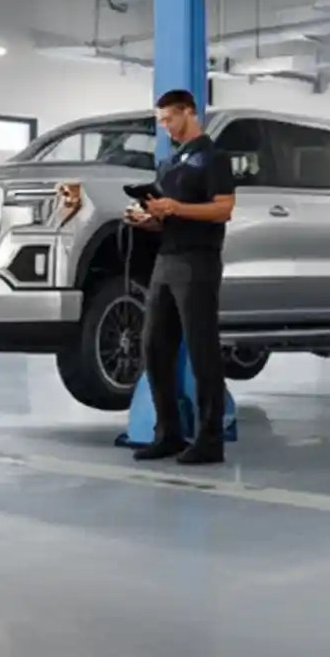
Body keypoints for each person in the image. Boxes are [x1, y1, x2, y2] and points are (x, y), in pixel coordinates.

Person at [125, 89, 235, 465]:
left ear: (187, 112)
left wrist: (177, 207)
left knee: (202, 349)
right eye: (161, 123)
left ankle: (209, 439)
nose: (165, 128)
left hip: (198, 262)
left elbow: (223, 209)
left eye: (169, 120)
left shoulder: (213, 158)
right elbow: (168, 217)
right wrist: (150, 217)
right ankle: (168, 432)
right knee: (154, 347)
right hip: (166, 260)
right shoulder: (169, 164)